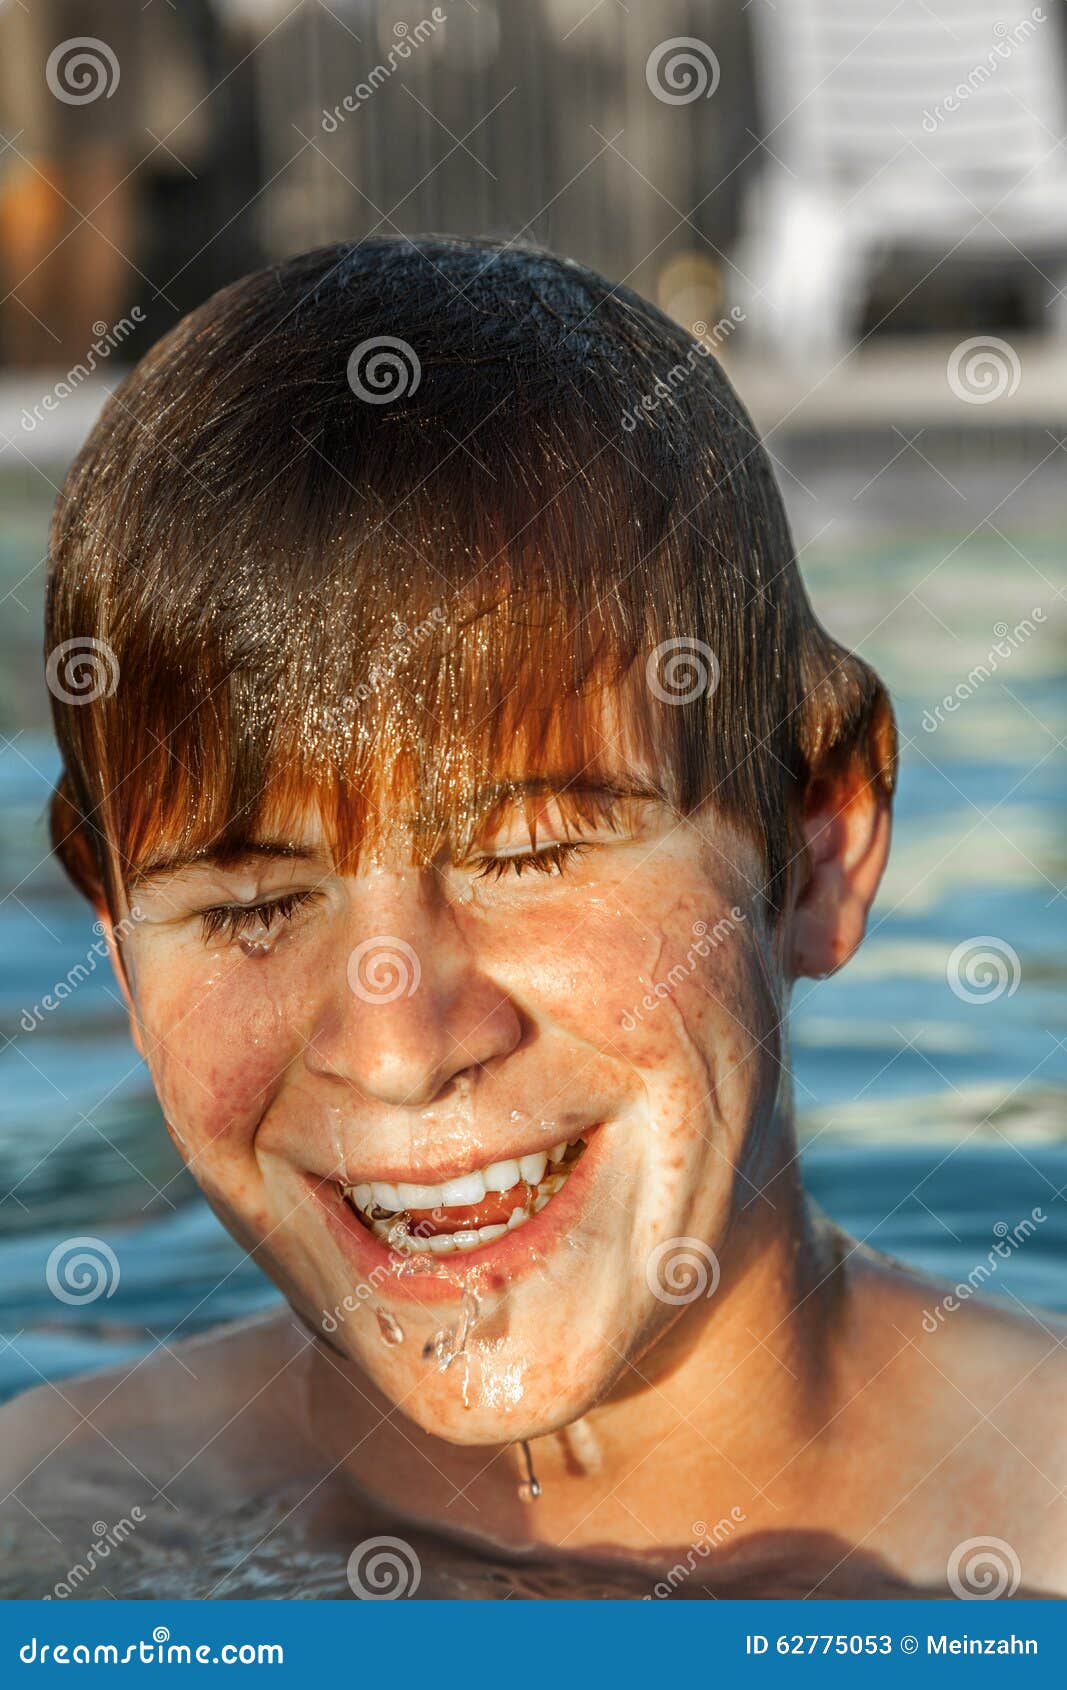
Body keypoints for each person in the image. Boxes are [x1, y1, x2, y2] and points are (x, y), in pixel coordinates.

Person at [1, 237, 1063, 1600]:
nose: (397, 1044)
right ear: (117, 946)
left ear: (822, 835)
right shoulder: (62, 1516)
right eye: (255, 903)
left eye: (536, 850)